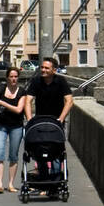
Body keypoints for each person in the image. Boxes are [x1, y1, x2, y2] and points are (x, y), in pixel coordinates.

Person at [24, 57, 74, 192]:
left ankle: (55, 184)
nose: (43, 70)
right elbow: (28, 100)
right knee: (40, 152)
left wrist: (61, 118)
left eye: (46, 68)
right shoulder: (36, 81)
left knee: (56, 154)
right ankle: (44, 182)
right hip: (39, 122)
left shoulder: (61, 82)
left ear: (54, 70)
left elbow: (69, 101)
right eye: (42, 67)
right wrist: (30, 119)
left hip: (56, 123)